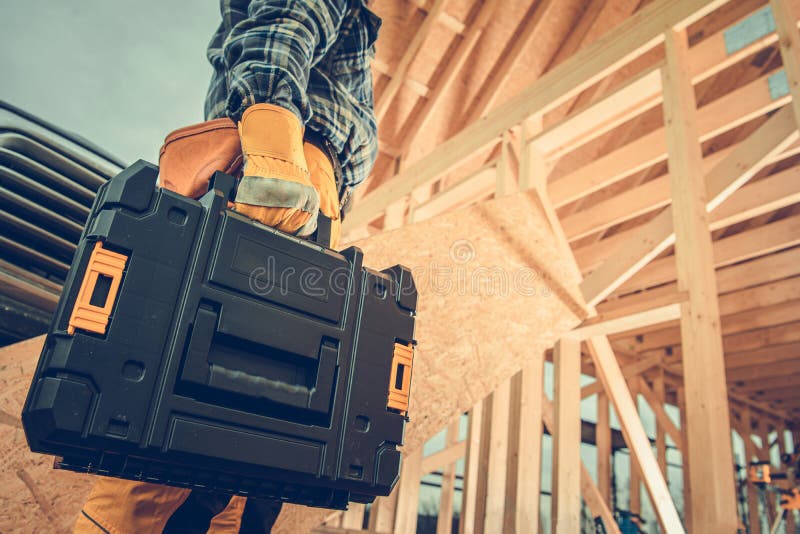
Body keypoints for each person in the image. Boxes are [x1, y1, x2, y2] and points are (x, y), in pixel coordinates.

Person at [74, 1, 381, 532]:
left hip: (293, 180)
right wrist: (273, 138)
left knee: (233, 446)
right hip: (285, 175)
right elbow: (285, 21)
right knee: (184, 436)